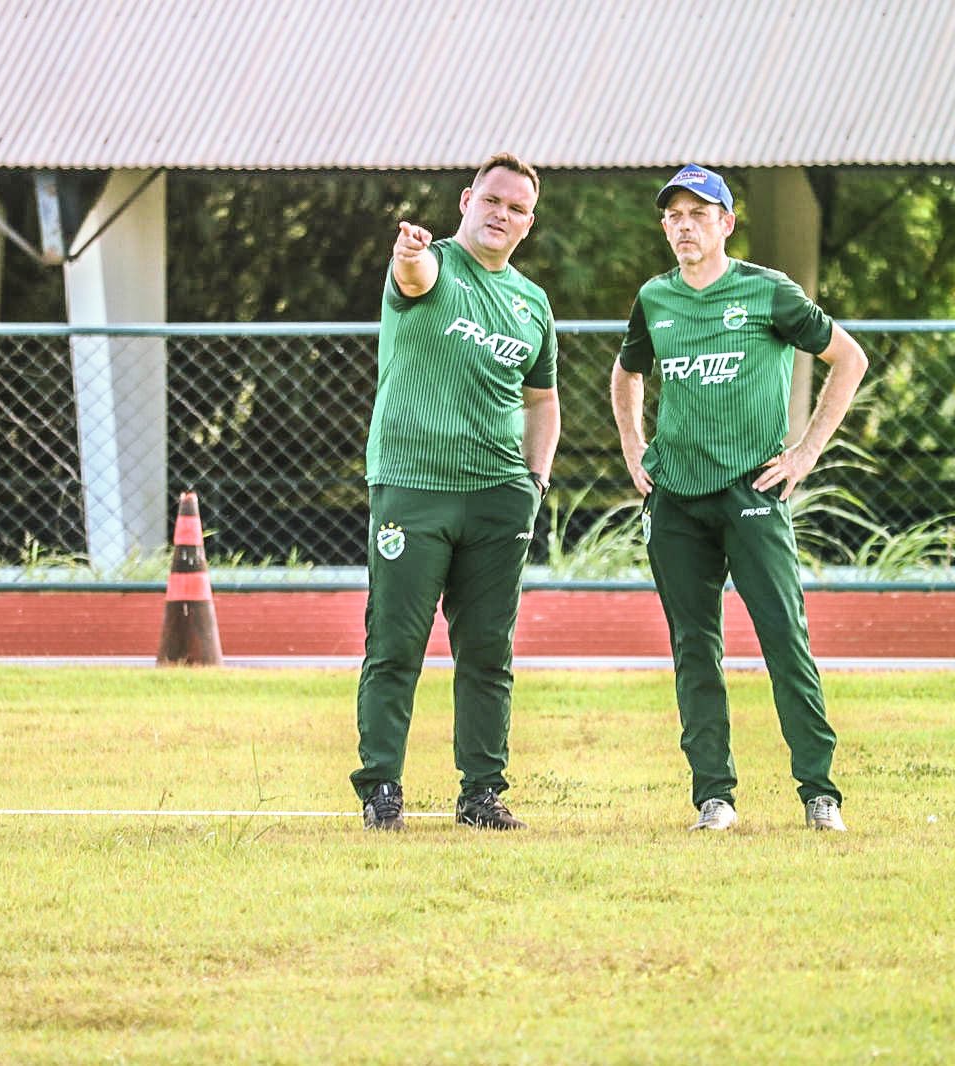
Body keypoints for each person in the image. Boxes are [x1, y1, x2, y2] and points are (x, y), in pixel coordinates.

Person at [610, 164, 868, 832]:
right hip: (675, 500)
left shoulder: (768, 292)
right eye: (674, 216)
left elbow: (850, 359)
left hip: (752, 492)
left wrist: (806, 453)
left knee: (784, 638)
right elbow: (627, 371)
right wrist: (635, 446)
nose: (684, 227)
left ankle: (820, 794)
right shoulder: (655, 298)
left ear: (726, 223)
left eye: (699, 214)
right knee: (694, 648)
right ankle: (714, 798)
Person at [351, 152, 560, 832]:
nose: (502, 214)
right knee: (396, 644)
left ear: (528, 223)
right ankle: (382, 788)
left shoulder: (532, 304)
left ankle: (481, 795)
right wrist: (407, 254)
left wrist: (534, 480)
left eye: (517, 208)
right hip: (414, 488)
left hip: (500, 496)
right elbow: (414, 276)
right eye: (492, 200)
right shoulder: (433, 264)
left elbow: (542, 400)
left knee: (488, 652)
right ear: (468, 201)